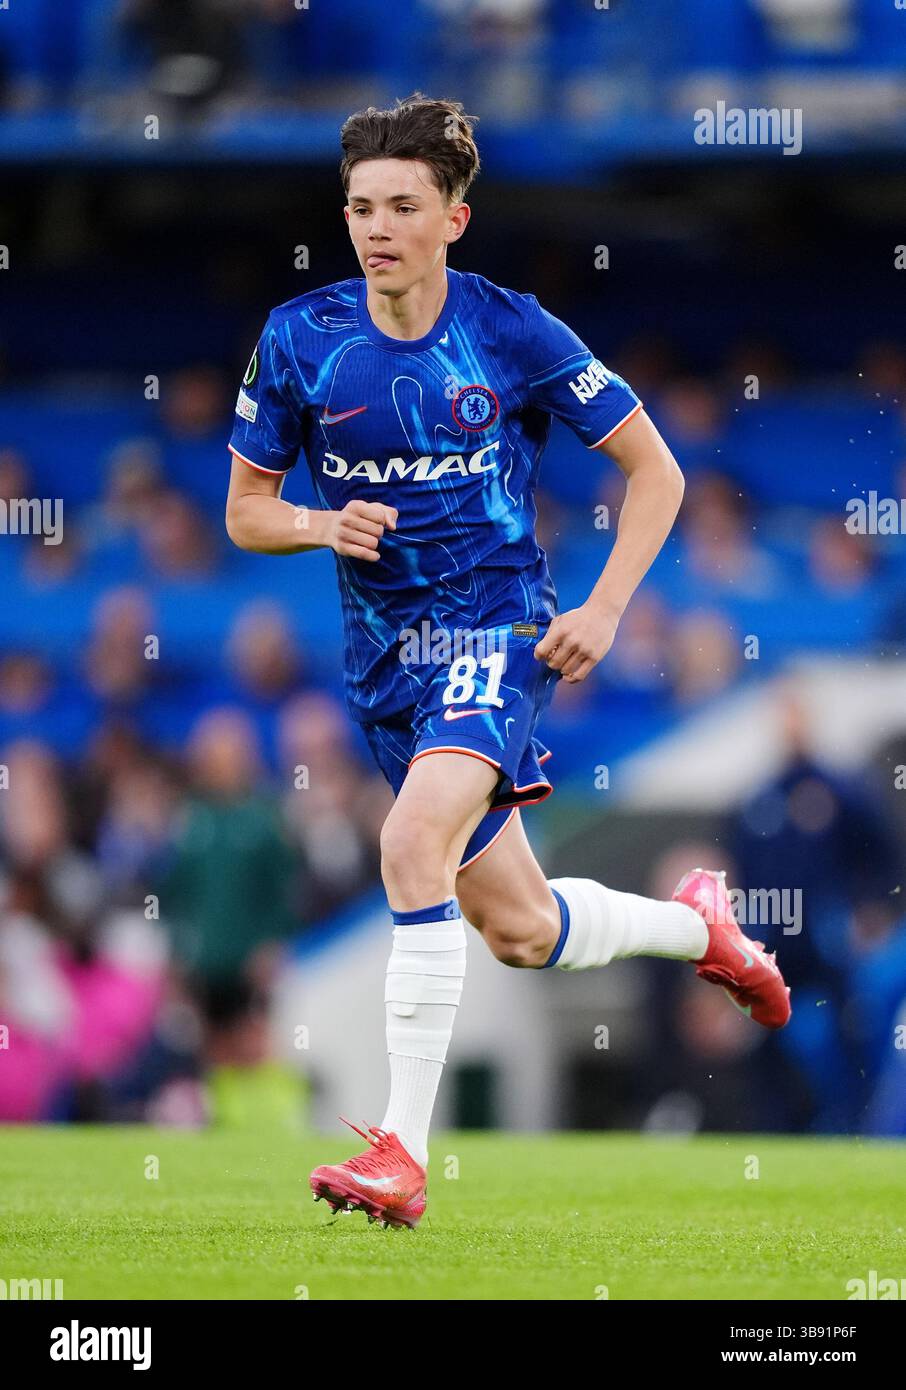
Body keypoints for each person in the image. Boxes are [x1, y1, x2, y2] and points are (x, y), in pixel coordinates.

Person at [224, 93, 790, 1230]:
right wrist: (320, 524)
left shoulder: (510, 328)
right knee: (521, 933)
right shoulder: (299, 338)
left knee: (408, 840)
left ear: (454, 219)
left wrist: (609, 603)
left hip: (494, 632)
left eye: (402, 207)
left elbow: (658, 472)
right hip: (387, 665)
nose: (376, 227)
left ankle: (404, 1152)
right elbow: (245, 511)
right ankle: (701, 927)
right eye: (359, 208)